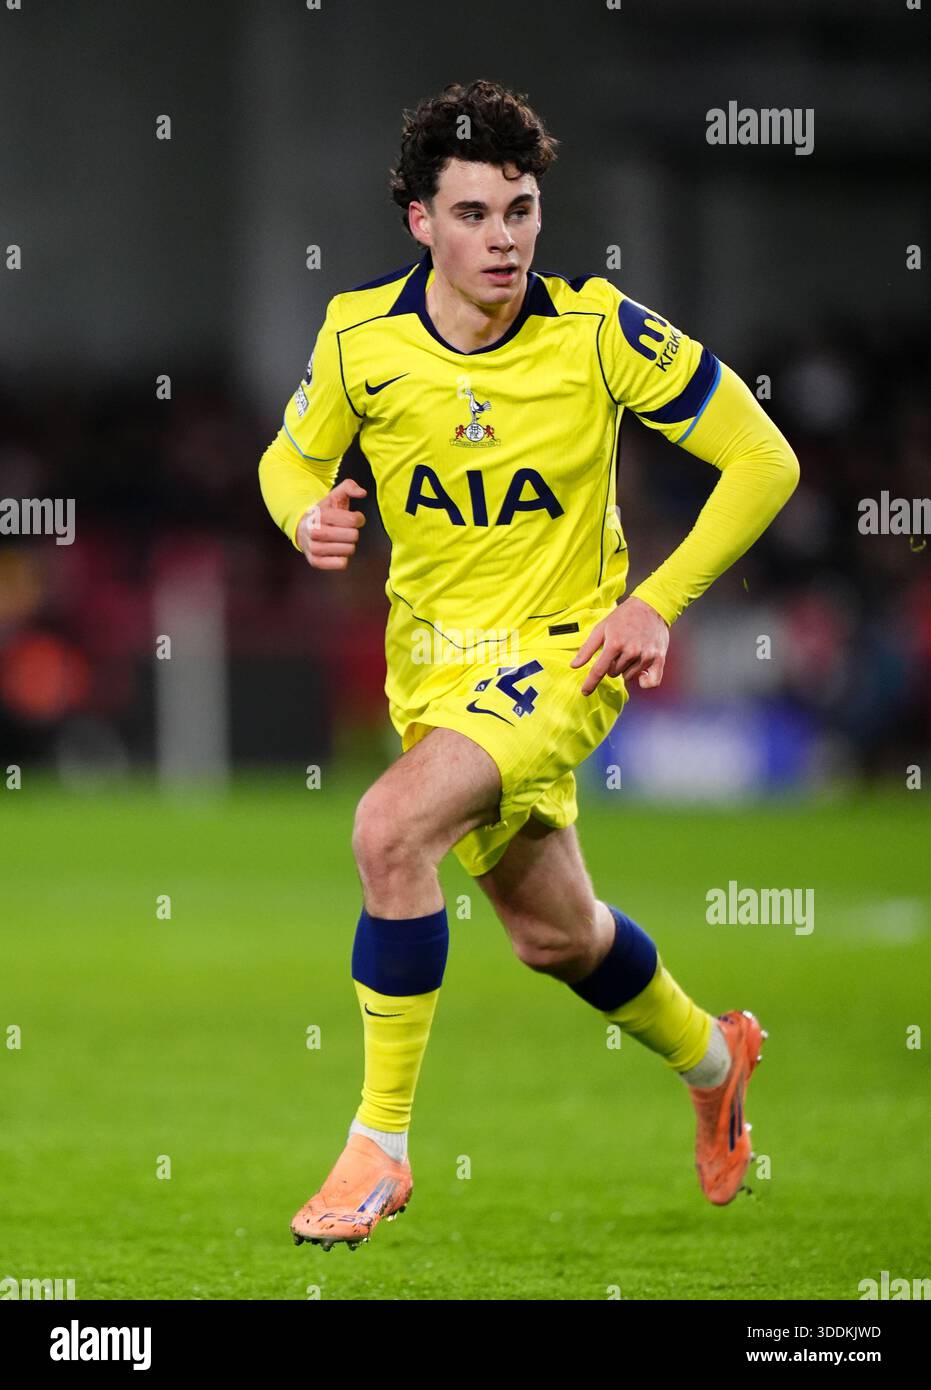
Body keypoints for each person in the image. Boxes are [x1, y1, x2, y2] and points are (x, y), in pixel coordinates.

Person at [258, 79, 797, 1252]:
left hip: (565, 659)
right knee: (557, 936)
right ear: (419, 222)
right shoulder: (359, 338)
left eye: (519, 210)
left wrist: (655, 602)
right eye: (472, 215)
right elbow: (285, 462)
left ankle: (378, 1147)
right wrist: (308, 517)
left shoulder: (601, 333)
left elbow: (763, 459)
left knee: (388, 830)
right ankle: (716, 1056)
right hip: (433, 680)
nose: (501, 239)